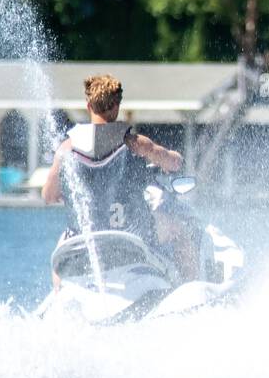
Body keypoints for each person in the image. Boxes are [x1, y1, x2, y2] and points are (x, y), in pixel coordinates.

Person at [43, 74, 197, 281]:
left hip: (86, 239)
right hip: (132, 235)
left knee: (62, 247)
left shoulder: (66, 149)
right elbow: (174, 163)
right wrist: (175, 157)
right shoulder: (134, 143)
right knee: (179, 231)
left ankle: (61, 299)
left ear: (89, 106)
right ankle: (192, 287)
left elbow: (48, 196)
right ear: (116, 106)